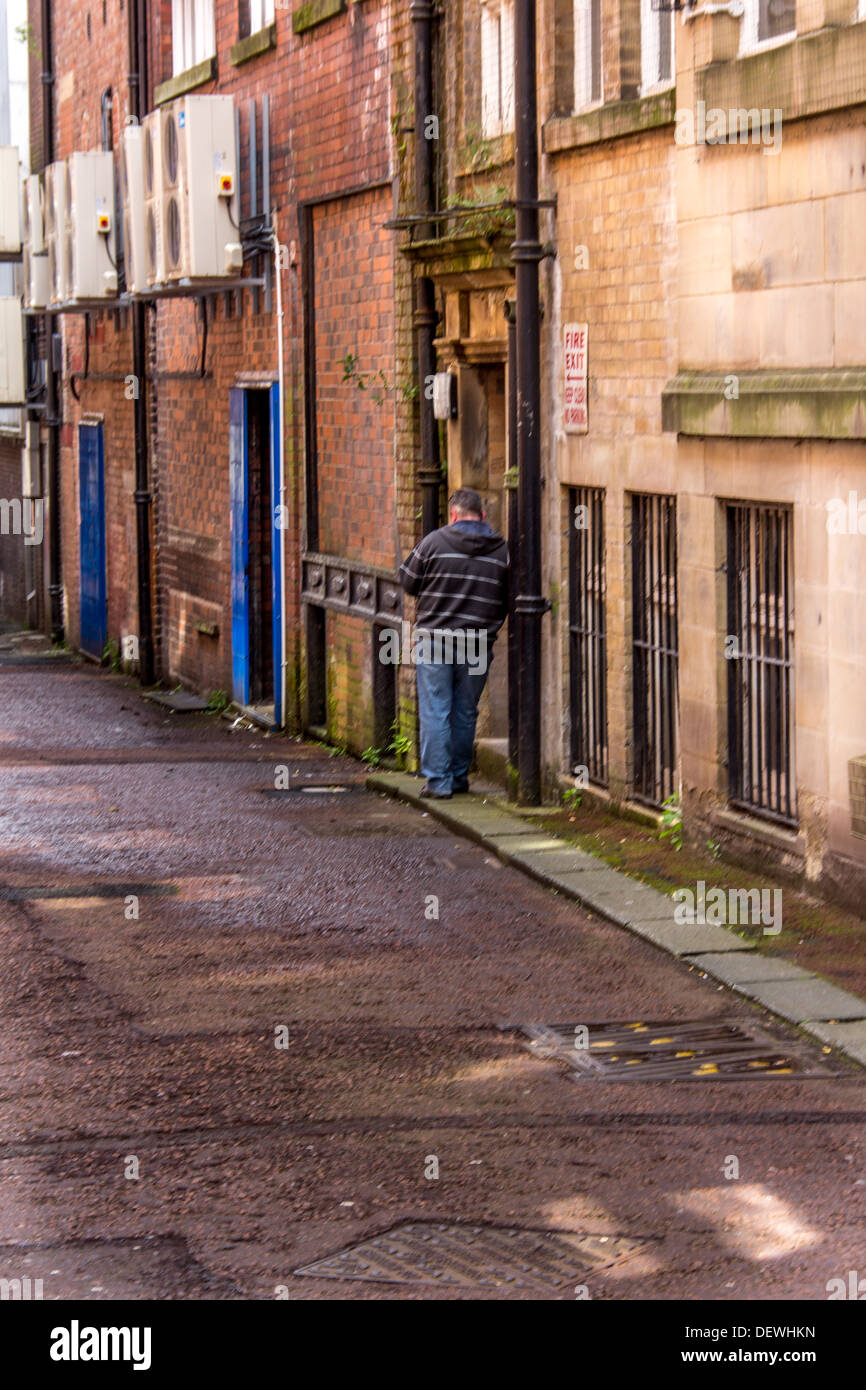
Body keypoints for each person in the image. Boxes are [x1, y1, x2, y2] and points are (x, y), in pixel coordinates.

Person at [399, 487, 510, 798]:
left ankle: (439, 781)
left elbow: (408, 581)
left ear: (453, 515)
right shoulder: (502, 550)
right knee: (465, 711)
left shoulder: (433, 542)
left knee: (436, 710)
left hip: (435, 639)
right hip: (477, 642)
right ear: (483, 516)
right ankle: (459, 777)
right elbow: (509, 595)